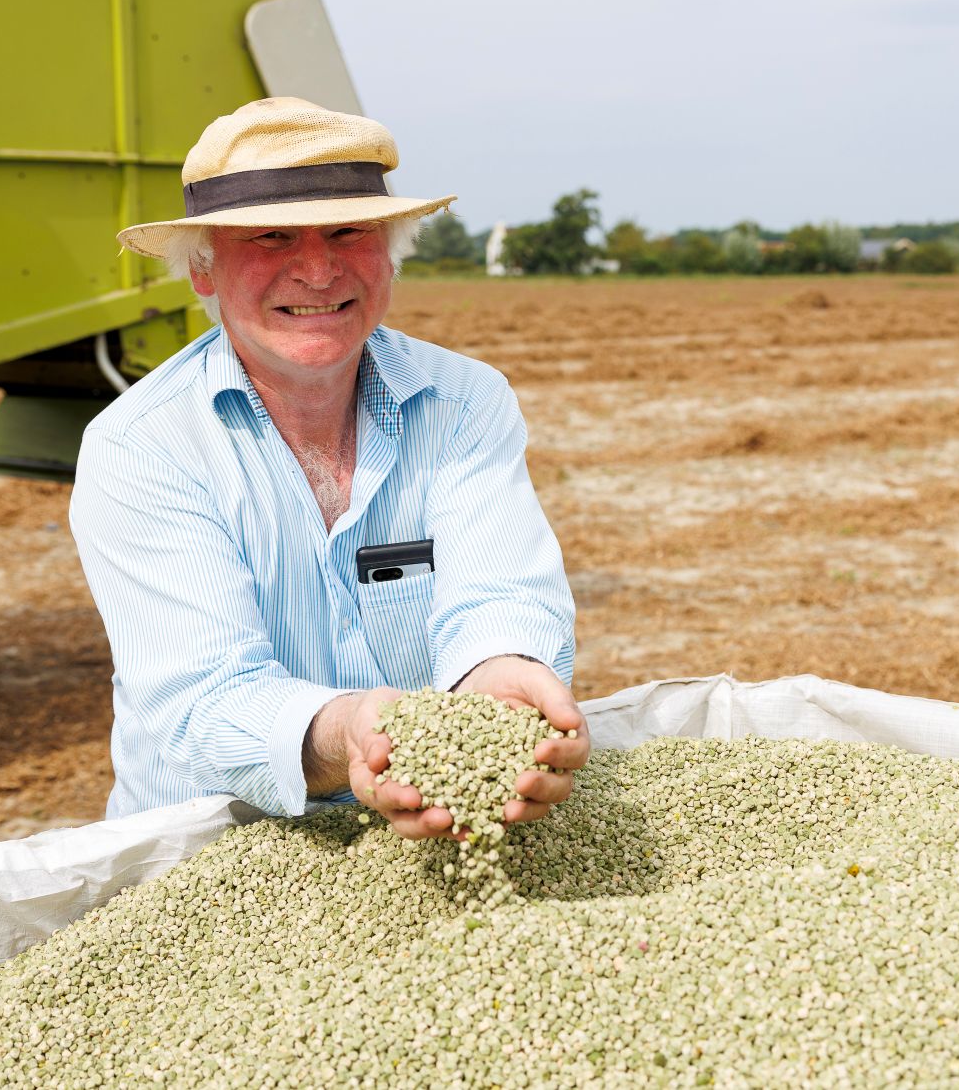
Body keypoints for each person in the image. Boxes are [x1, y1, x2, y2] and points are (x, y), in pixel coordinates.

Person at [69, 97, 586, 839]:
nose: (317, 268)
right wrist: (350, 733)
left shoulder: (465, 402)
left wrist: (500, 677)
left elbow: (500, 590)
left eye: (349, 231)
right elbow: (206, 701)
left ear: (388, 252)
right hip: (215, 850)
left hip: (438, 829)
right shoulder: (142, 446)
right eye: (271, 237)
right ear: (204, 271)